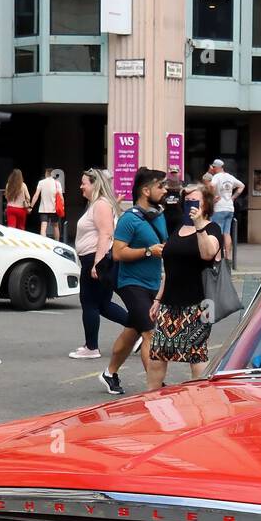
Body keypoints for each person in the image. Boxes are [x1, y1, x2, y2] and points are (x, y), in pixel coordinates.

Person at [100, 168, 169, 395]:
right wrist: (148, 252)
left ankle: (109, 373)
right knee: (149, 332)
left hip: (152, 284)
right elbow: (119, 253)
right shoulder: (129, 219)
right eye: (160, 186)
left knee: (132, 331)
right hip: (130, 283)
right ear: (145, 190)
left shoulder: (159, 216)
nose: (165, 189)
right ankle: (155, 387)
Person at [148, 182, 220, 387]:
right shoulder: (179, 226)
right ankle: (150, 398)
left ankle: (201, 401)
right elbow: (169, 268)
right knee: (157, 356)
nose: (190, 205)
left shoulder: (212, 228)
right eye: (187, 201)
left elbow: (208, 253)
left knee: (196, 356)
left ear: (205, 204)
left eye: (195, 201)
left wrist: (199, 226)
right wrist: (158, 298)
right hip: (170, 303)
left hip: (199, 304)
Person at [69, 167, 129, 360]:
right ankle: (138, 328)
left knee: (89, 302)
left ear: (94, 184)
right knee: (102, 304)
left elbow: (106, 233)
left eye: (84, 183)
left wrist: (97, 263)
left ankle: (91, 346)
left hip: (95, 258)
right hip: (94, 257)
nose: (81, 187)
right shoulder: (97, 204)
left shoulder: (101, 205)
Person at [207, 159, 244, 258]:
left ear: (216, 167)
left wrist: (213, 195)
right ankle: (228, 257)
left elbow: (211, 185)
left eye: (213, 167)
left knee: (217, 233)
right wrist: (233, 197)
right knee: (227, 233)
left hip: (219, 207)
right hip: (229, 207)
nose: (213, 169)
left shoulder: (216, 177)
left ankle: (218, 256)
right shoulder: (230, 177)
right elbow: (241, 186)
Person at [34, 167, 62, 240]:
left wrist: (31, 206)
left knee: (43, 226)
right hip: (54, 209)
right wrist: (63, 207)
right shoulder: (57, 183)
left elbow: (36, 195)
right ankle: (57, 242)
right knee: (55, 226)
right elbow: (61, 197)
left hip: (43, 209)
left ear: (46, 173)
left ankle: (44, 243)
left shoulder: (41, 182)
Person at [161, 166, 185, 234]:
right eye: (172, 173)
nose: (174, 175)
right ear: (169, 173)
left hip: (179, 216)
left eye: (175, 173)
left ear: (179, 173)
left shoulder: (183, 185)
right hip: (167, 216)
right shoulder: (165, 185)